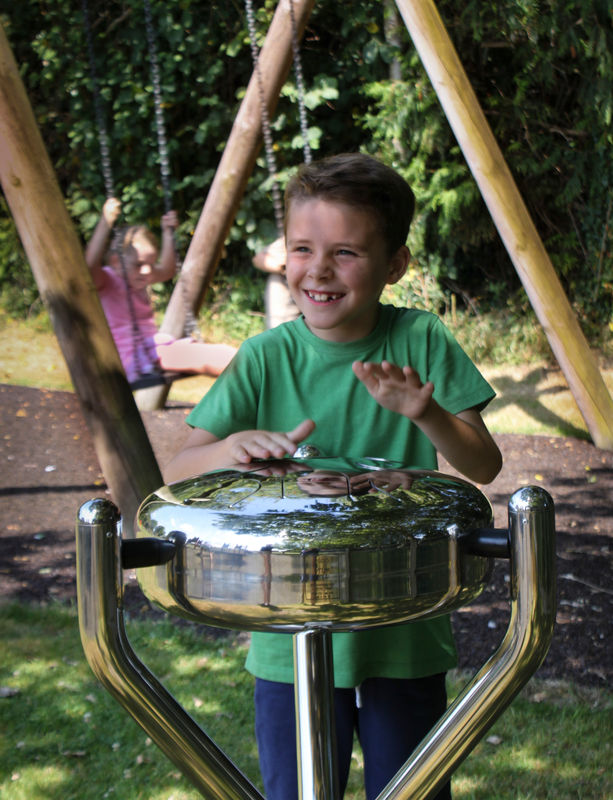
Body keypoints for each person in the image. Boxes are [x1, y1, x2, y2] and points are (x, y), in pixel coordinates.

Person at [165, 152, 503, 800]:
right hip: (288, 630)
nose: (317, 270)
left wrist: (426, 412)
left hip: (402, 622)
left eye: (345, 252)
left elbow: (483, 466)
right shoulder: (265, 357)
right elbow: (178, 471)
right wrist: (231, 446)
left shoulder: (421, 339)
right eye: (302, 248)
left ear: (394, 265)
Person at [85, 197, 237, 384]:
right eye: (139, 264)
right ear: (116, 261)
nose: (147, 271)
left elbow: (166, 270)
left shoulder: (136, 277)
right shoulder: (108, 281)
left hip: (149, 349)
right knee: (215, 357)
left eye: (151, 264)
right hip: (131, 355)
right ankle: (255, 376)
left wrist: (167, 233)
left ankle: (252, 374)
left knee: (222, 354)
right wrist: (105, 222)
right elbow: (89, 268)